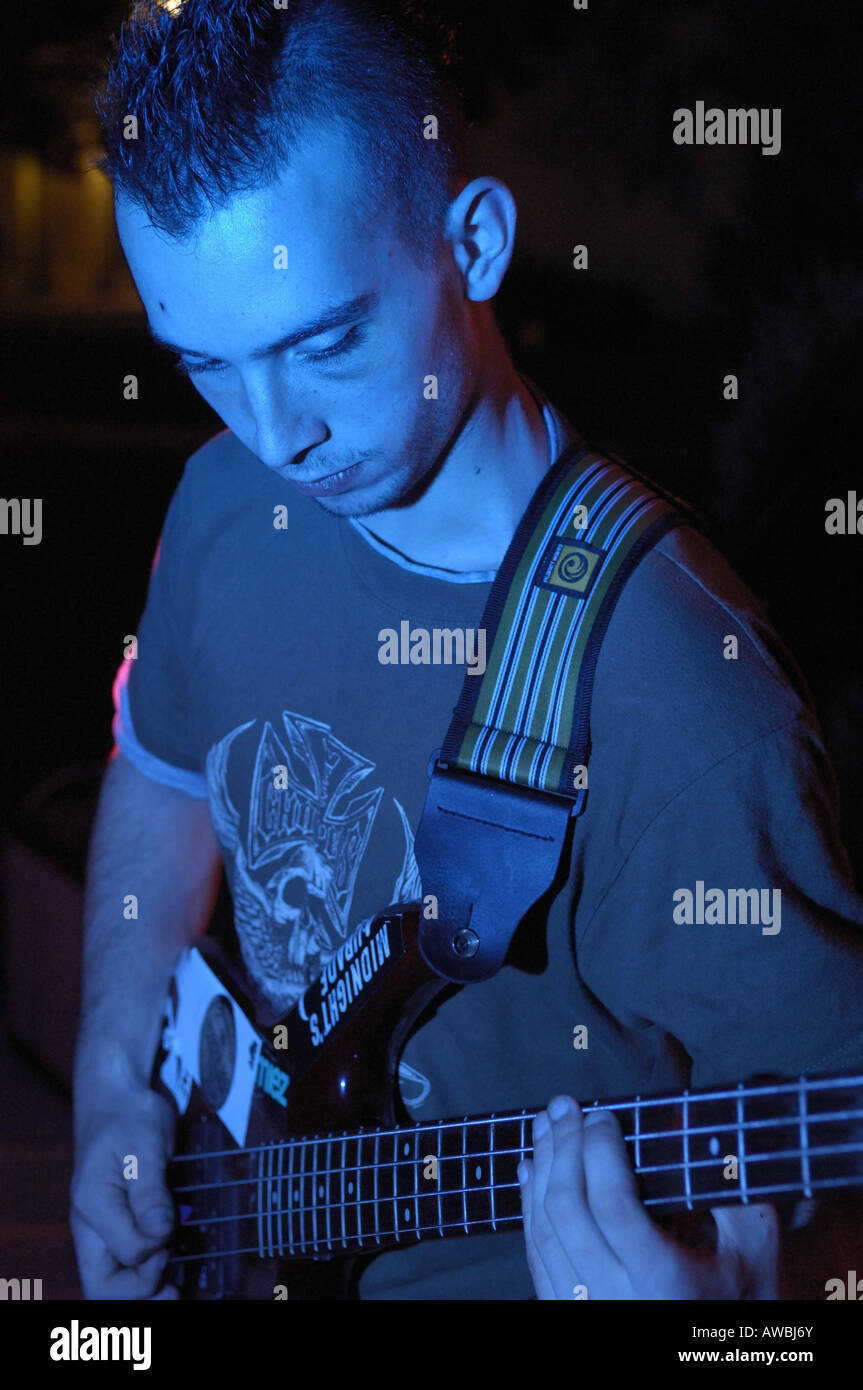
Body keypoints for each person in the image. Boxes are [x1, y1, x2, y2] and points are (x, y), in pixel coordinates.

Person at [71, 0, 863, 1301]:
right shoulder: (220, 502)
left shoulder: (682, 694)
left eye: (326, 343)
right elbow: (159, 771)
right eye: (206, 363)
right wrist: (109, 1084)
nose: (278, 435)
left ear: (475, 243)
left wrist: (732, 1310)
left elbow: (838, 1186)